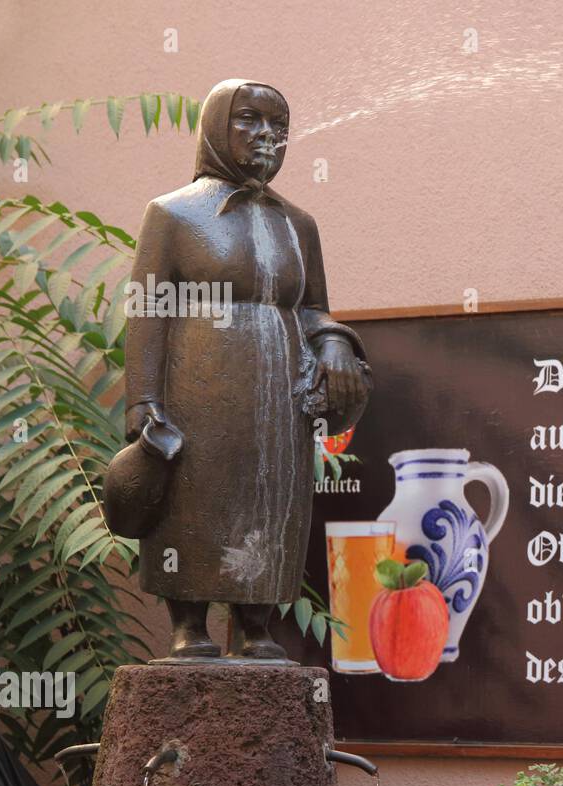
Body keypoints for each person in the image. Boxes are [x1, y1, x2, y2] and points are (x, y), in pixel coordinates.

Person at [123, 79, 371, 658]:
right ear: (215, 127)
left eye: (279, 128)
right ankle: (188, 626)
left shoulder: (299, 225)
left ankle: (256, 623)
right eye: (250, 121)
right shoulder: (173, 216)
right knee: (190, 494)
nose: (267, 136)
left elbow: (313, 309)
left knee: (269, 494)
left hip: (279, 392)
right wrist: (143, 404)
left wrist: (335, 344)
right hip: (196, 384)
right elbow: (147, 313)